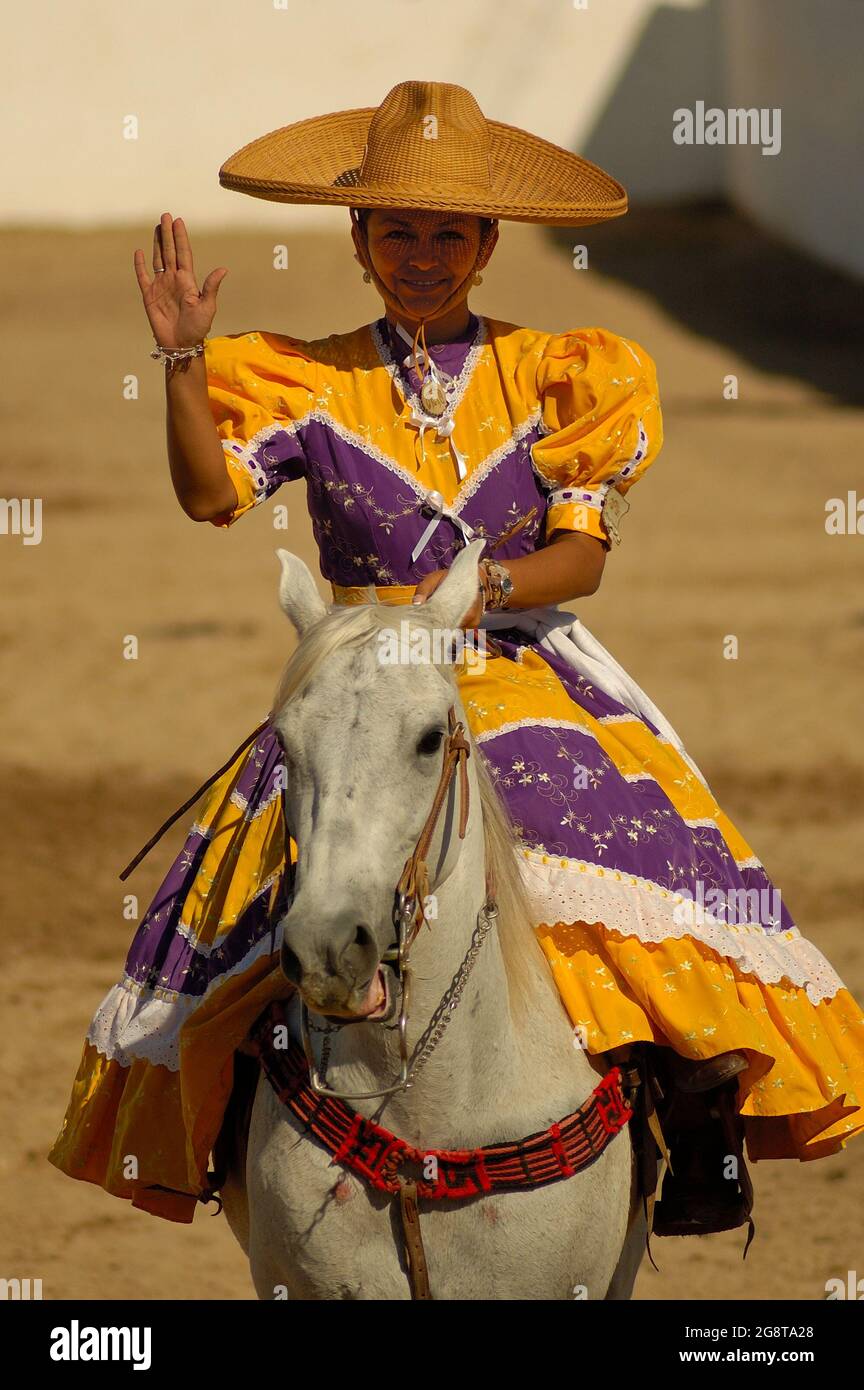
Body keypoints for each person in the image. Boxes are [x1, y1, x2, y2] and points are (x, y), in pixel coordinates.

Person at [49, 81, 864, 1242]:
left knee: (603, 816)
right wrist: (181, 362)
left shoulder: (562, 376)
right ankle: (239, 1137)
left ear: (486, 244)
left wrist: (486, 588)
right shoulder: (309, 379)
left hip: (521, 665)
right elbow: (207, 496)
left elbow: (579, 560)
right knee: (259, 869)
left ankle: (688, 1123)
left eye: (446, 233)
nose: (421, 254)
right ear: (359, 242)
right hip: (364, 671)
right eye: (398, 232)